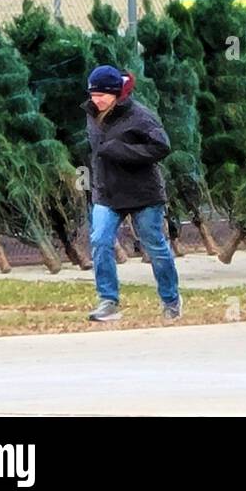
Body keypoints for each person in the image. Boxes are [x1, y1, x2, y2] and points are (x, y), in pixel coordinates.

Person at [83, 65, 181, 322]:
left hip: (143, 193)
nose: (97, 99)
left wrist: (122, 151)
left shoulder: (141, 116)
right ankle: (108, 301)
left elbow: (162, 147)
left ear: (116, 93)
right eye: (93, 94)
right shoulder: (92, 114)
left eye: (102, 94)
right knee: (100, 240)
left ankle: (171, 300)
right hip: (107, 192)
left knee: (155, 246)